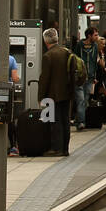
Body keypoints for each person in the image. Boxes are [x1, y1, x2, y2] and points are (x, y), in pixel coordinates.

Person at [37, 28, 71, 156]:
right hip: (67, 93)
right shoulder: (66, 52)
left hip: (52, 95)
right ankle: (65, 148)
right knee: (65, 120)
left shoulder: (48, 56)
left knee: (55, 121)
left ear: (45, 41)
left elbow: (44, 78)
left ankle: (57, 148)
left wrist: (40, 96)